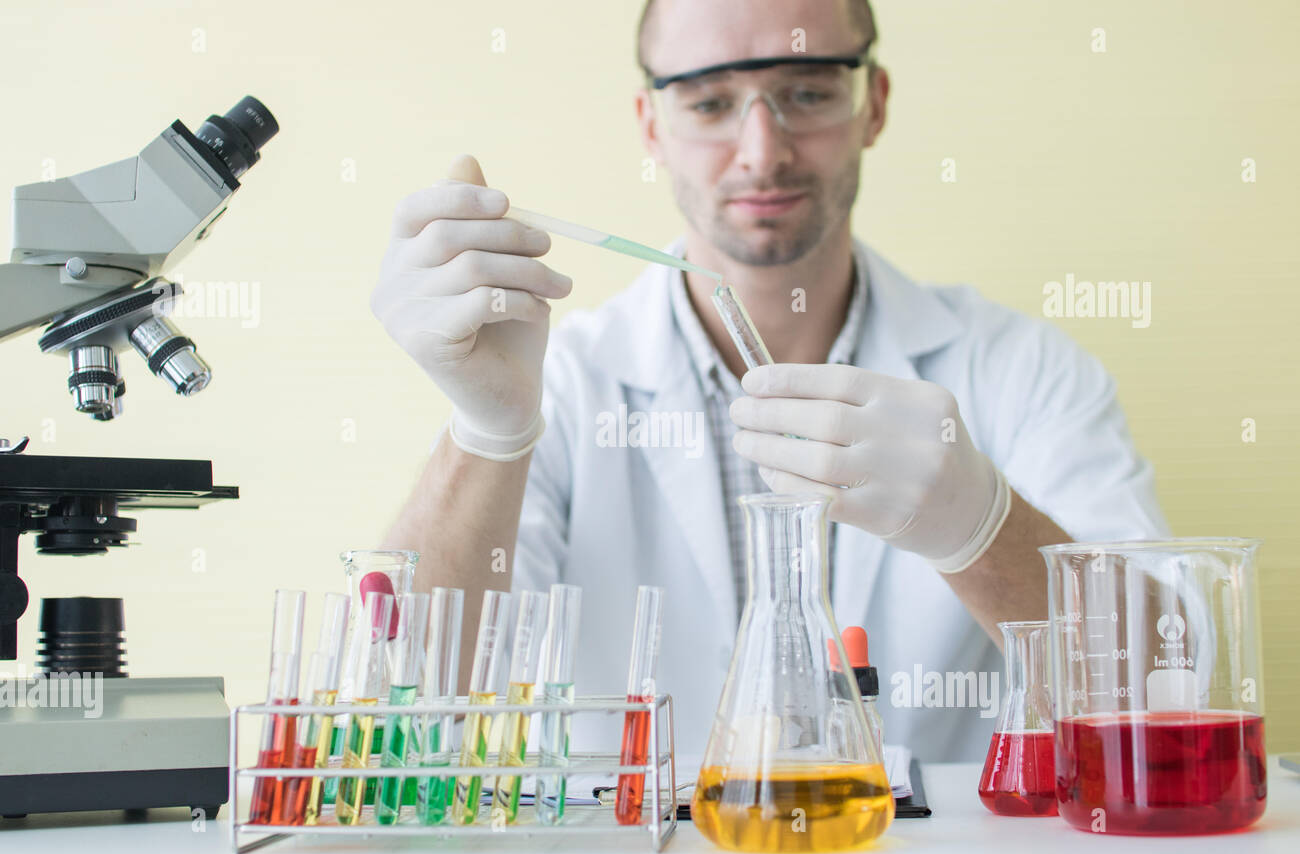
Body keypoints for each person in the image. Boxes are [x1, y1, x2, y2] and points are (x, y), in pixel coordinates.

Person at [370, 0, 1167, 761]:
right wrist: (487, 433)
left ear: (874, 103)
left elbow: (1169, 692)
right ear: (653, 127)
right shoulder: (571, 385)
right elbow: (408, 711)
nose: (761, 151)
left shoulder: (1024, 373)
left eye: (807, 91)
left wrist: (981, 530)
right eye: (711, 103)